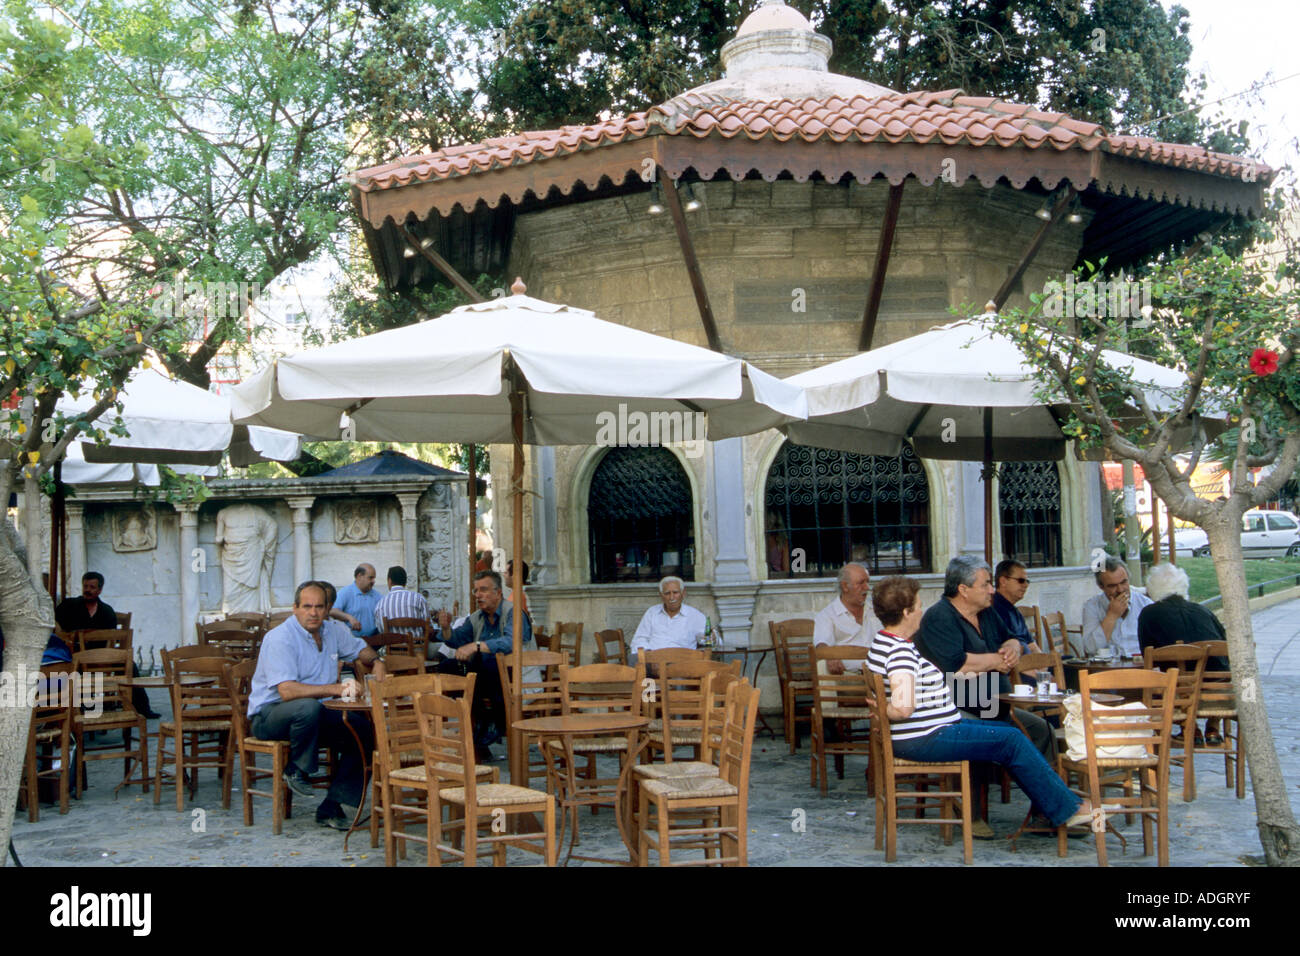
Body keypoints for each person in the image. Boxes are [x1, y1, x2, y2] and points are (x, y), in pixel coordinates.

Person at [868, 575, 1101, 837]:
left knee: (1010, 732)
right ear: (906, 612)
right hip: (927, 736)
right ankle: (1066, 810)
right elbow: (902, 708)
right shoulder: (899, 653)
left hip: (932, 730)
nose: (922, 610)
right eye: (919, 605)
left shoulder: (884, 642)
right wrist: (883, 709)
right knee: (1011, 739)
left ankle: (1055, 809)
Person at [247, 581, 388, 830]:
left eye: (319, 607)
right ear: (295, 608)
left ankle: (332, 806)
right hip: (270, 716)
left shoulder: (332, 630)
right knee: (307, 707)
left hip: (313, 715)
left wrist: (377, 661)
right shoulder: (280, 638)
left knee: (363, 731)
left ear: (328, 609)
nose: (313, 613)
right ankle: (297, 769)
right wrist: (336, 689)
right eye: (307, 606)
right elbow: (287, 691)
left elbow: (359, 650)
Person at [915, 556, 1055, 764]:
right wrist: (996, 661)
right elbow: (958, 665)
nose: (992, 590)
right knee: (1006, 735)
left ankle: (1035, 789)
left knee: (1044, 731)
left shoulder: (986, 612)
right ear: (963, 590)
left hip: (997, 705)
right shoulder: (939, 617)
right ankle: (984, 786)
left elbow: (1011, 638)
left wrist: (1011, 649)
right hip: (956, 710)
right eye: (986, 584)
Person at [436, 570, 532, 759]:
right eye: (476, 590)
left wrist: (476, 646)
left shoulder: (514, 612)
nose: (478, 595)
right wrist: (446, 628)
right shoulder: (477, 617)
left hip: (518, 674)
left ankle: (493, 723)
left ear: (498, 593)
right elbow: (456, 640)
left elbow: (511, 642)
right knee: (448, 668)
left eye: (484, 590)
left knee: (485, 665)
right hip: (487, 677)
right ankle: (479, 721)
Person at [1139, 562, 1229, 744]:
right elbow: (1224, 644)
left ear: (1152, 589)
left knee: (1174, 674)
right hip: (1220, 693)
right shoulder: (1203, 610)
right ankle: (1213, 728)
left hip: (1181, 694)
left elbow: (1147, 656)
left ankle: (1189, 728)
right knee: (1207, 667)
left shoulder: (1149, 614)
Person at [55, 572, 157, 719]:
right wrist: (64, 635)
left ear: (100, 590)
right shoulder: (69, 605)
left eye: (92, 587)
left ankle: (143, 709)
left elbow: (112, 639)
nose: (88, 590)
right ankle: (70, 712)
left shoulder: (107, 611)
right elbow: (53, 621)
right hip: (75, 656)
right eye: (85, 586)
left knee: (131, 665)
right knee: (61, 668)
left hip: (100, 656)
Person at [813, 563, 880, 674]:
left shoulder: (877, 610)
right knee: (822, 666)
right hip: (847, 677)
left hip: (879, 675)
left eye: (867, 582)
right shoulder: (827, 615)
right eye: (861, 583)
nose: (867, 588)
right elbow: (822, 644)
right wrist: (829, 656)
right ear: (845, 586)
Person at [1081, 557, 1152, 658]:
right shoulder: (1092, 606)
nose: (1120, 589)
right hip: (1108, 668)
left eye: (1123, 582)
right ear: (1101, 586)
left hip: (1140, 666)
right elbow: (1090, 648)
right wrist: (1112, 616)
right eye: (1112, 586)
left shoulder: (1145, 604)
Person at [629, 576, 707, 662]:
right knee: (632, 660)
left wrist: (713, 638)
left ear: (683, 593)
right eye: (667, 593)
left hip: (681, 662)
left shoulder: (695, 615)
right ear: (661, 595)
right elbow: (639, 639)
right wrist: (650, 656)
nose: (671, 597)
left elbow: (710, 640)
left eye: (675, 592)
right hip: (653, 660)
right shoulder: (652, 612)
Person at [990, 559, 1042, 654]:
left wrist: (1045, 664)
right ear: (1003, 581)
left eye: (1027, 581)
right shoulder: (992, 610)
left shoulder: (1015, 612)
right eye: (1021, 580)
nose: (1026, 585)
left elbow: (1032, 646)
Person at [374, 565, 430, 637]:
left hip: (392, 646)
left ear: (389, 581)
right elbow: (428, 626)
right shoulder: (419, 598)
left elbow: (381, 630)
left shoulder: (380, 603)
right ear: (405, 581)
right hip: (417, 646)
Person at [332, 563, 383, 638]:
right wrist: (349, 618)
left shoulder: (377, 596)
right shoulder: (345, 592)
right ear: (359, 576)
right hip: (351, 641)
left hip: (374, 641)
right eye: (370, 578)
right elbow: (332, 611)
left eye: (374, 578)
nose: (373, 581)